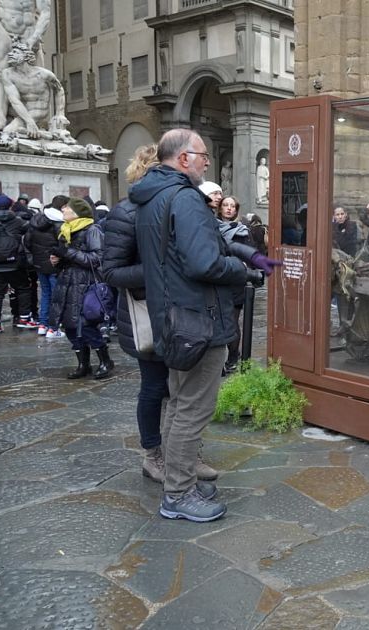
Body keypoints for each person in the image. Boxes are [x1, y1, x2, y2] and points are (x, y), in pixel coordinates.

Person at [104, 144, 279, 486]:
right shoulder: (127, 212)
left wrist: (251, 256)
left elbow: (214, 241)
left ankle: (182, 457)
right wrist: (163, 270)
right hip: (149, 313)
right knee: (157, 389)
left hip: (187, 313)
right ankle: (155, 457)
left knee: (182, 393)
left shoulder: (181, 203)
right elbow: (111, 272)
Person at [130, 128, 261, 522]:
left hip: (174, 318)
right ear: (184, 158)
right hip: (197, 321)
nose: (207, 161)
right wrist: (241, 270)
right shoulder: (184, 198)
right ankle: (179, 494)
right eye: (203, 154)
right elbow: (203, 262)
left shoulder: (153, 196)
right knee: (191, 409)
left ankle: (178, 477)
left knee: (177, 403)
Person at [47, 197, 113, 378]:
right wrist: (57, 261)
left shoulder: (92, 230)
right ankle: (83, 364)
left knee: (85, 325)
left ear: (77, 212)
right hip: (66, 284)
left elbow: (97, 258)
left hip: (86, 284)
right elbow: (69, 259)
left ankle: (105, 360)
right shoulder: (65, 230)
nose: (63, 210)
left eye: (67, 208)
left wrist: (67, 252)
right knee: (69, 326)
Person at [0, 0, 52, 133]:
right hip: (2, 29)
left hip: (29, 32)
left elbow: (45, 12)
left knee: (37, 78)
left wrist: (35, 37)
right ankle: (0, 120)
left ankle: (28, 120)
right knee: (0, 74)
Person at [0, 193, 35, 334]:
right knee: (23, 288)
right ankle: (24, 318)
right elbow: (29, 231)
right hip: (14, 262)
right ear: (10, 206)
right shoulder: (16, 221)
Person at [217, 195, 254, 374]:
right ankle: (219, 358)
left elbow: (251, 255)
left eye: (232, 206)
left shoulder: (243, 231)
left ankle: (232, 357)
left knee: (232, 321)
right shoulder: (212, 227)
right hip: (217, 280)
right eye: (225, 205)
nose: (229, 208)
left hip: (235, 282)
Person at [24, 197, 63, 336]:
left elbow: (27, 242)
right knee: (56, 296)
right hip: (54, 265)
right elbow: (63, 245)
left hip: (39, 264)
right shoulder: (59, 223)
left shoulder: (35, 222)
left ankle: (43, 324)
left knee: (46, 294)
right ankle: (53, 327)